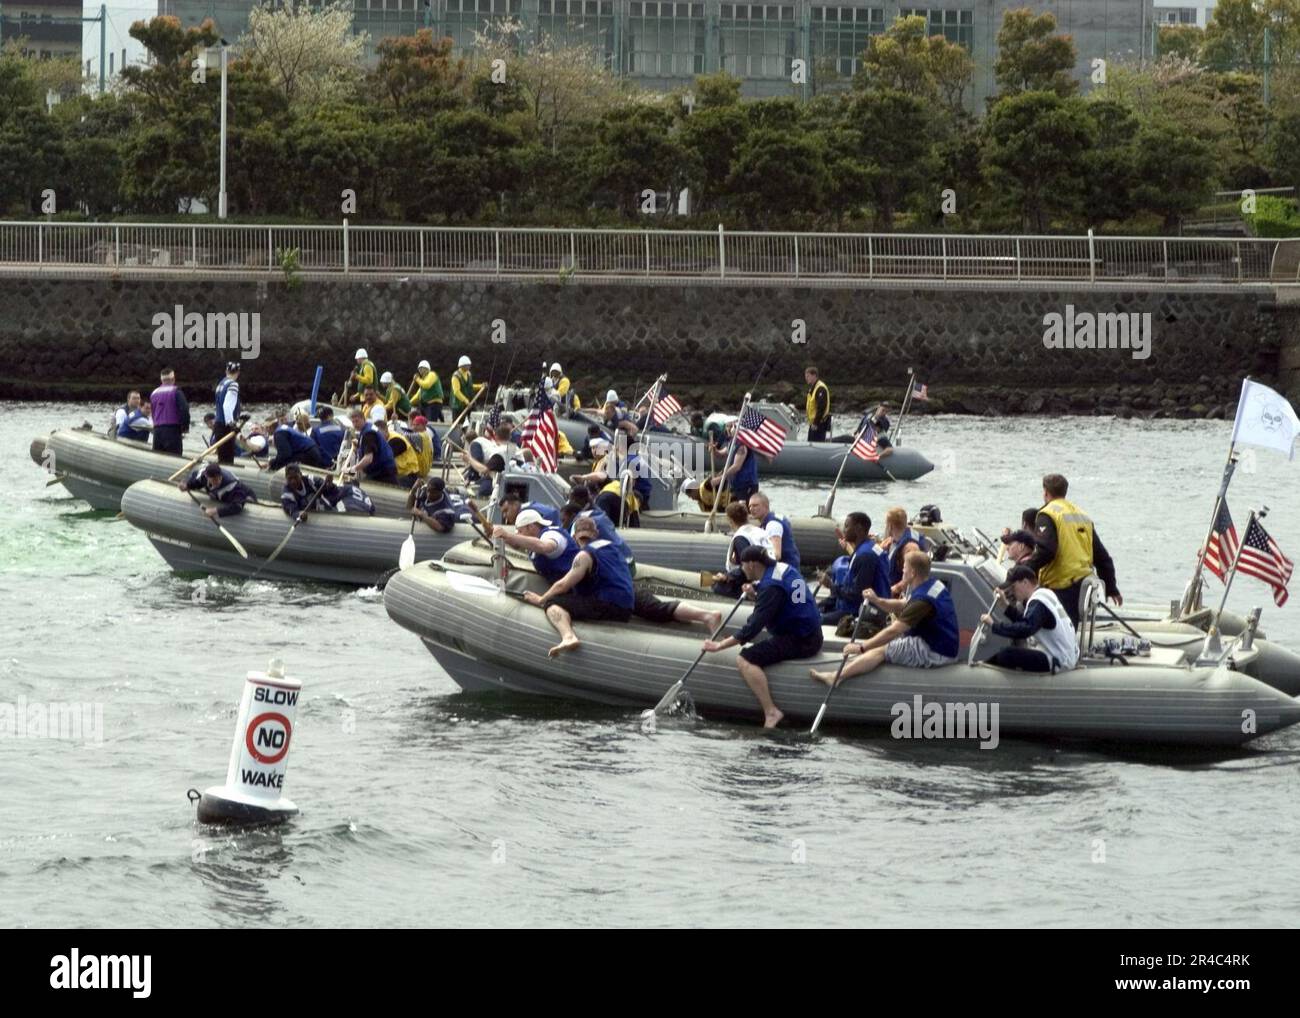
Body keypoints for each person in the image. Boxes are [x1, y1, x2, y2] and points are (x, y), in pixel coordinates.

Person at [702, 546, 823, 729]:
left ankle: (771, 711)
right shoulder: (783, 568)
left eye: (743, 565)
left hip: (802, 639)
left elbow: (753, 628)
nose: (742, 569)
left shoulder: (770, 587)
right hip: (810, 631)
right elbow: (780, 597)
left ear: (751, 564)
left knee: (745, 659)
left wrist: (719, 646)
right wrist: (755, 594)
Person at [810, 550, 958, 686]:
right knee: (883, 644)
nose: (902, 570)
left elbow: (894, 630)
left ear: (912, 572)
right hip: (940, 642)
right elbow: (902, 604)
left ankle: (836, 677)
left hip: (935, 651)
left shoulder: (922, 601)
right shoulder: (931, 584)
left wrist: (862, 647)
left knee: (880, 651)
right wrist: (877, 600)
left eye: (904, 567)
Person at [519, 516, 635, 657]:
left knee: (552, 603)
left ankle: (568, 636)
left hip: (609, 606)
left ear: (574, 537)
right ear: (595, 533)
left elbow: (563, 585)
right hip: (629, 604)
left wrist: (541, 599)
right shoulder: (613, 548)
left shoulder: (583, 556)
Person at [1026, 473, 1122, 625]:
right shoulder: (1082, 515)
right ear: (1065, 491)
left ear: (1045, 492)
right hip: (1082, 584)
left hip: (1059, 585)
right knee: (1070, 631)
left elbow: (1046, 551)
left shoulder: (1048, 514)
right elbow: (1101, 556)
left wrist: (1024, 569)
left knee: (1055, 632)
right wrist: (1111, 587)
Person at [979, 564, 1079, 673]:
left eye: (1013, 587)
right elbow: (1028, 621)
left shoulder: (1038, 602)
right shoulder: (1046, 594)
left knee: (1007, 654)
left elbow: (1026, 629)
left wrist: (995, 626)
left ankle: (980, 671)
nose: (1012, 592)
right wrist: (1005, 606)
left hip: (1058, 660)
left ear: (1025, 582)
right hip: (1066, 656)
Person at [816, 512, 890, 627]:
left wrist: (830, 585)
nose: (844, 530)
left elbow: (857, 595)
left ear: (858, 528)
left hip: (860, 613)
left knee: (810, 620)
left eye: (846, 526)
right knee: (814, 608)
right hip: (853, 605)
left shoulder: (865, 556)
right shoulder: (870, 547)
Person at [711, 500, 772, 597]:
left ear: (730, 520)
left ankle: (750, 596)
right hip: (768, 573)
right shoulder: (759, 530)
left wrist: (727, 577)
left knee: (717, 586)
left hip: (755, 578)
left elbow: (747, 567)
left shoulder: (741, 538)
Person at [179, 462, 255, 518]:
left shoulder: (232, 485)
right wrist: (187, 486)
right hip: (220, 496)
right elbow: (196, 484)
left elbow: (237, 507)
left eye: (219, 478)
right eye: (214, 479)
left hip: (245, 494)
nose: (218, 481)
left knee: (244, 500)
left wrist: (215, 511)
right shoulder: (203, 477)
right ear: (207, 477)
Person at [747, 491, 801, 571]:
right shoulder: (776, 517)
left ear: (766, 506)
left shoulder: (772, 524)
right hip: (791, 566)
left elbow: (776, 555)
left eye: (755, 505)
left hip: (786, 571)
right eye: (750, 506)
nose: (751, 509)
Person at [880, 506, 928, 593]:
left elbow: (915, 574)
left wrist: (895, 589)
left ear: (890, 526)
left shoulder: (910, 547)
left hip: (898, 594)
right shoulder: (897, 539)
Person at [348, 407, 399, 485]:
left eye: (357, 421)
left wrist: (353, 469)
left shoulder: (368, 434)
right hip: (385, 469)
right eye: (353, 422)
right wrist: (359, 445)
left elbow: (368, 459)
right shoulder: (369, 426)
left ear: (363, 418)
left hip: (383, 473)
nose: (355, 424)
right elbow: (372, 445)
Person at [711, 421, 759, 504]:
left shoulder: (741, 446)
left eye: (730, 427)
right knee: (734, 508)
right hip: (736, 484)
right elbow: (721, 454)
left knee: (743, 510)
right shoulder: (731, 443)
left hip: (746, 484)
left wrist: (720, 478)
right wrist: (714, 450)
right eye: (727, 427)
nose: (727, 430)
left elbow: (737, 466)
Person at [408, 476, 475, 532]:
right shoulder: (425, 490)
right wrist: (413, 490)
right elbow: (409, 507)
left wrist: (422, 515)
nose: (429, 495)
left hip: (455, 513)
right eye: (428, 491)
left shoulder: (447, 510)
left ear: (440, 492)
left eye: (433, 493)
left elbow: (440, 528)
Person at [149, 368, 190, 455]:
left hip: (157, 430)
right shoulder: (176, 391)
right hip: (172, 430)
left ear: (161, 380)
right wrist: (185, 427)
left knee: (157, 457)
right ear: (173, 379)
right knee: (175, 456)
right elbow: (184, 409)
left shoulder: (154, 393)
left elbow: (152, 412)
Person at [212, 361, 241, 465]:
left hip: (218, 425)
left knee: (222, 458)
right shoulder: (233, 384)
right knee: (228, 460)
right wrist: (232, 424)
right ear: (238, 372)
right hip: (225, 427)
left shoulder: (221, 384)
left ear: (226, 371)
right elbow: (227, 406)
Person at [805, 366, 832, 442]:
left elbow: (821, 407)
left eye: (808, 376)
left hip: (818, 424)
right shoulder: (812, 388)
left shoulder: (820, 388)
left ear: (814, 376)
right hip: (813, 423)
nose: (806, 378)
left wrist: (816, 423)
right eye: (806, 376)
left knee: (816, 443)